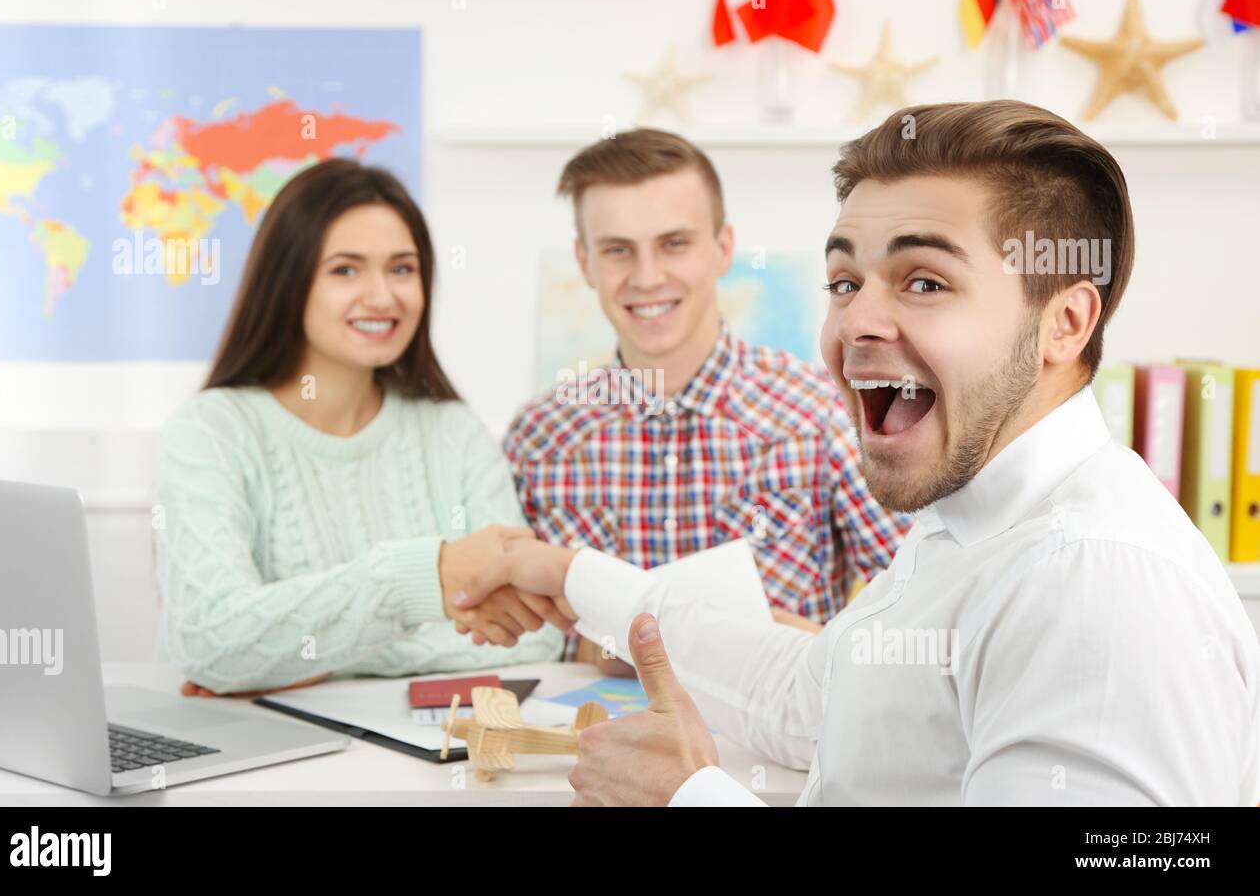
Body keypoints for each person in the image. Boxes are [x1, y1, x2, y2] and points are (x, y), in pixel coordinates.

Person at [459, 101, 1260, 806]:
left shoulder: (1096, 586)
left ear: (1064, 323)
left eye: (924, 282)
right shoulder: (964, 519)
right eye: (846, 283)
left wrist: (689, 798)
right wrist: (569, 575)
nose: (855, 327)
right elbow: (803, 696)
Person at [154, 158, 568, 696]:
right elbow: (211, 639)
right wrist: (426, 582)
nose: (382, 296)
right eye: (346, 270)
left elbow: (533, 635)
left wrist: (304, 657)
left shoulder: (452, 432)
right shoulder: (211, 431)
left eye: (401, 268)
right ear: (288, 281)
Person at [503, 128, 911, 670]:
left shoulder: (823, 414)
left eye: (674, 244)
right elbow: (523, 632)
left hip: (780, 744)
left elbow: (914, 613)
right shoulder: (539, 438)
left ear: (722, 248)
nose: (647, 278)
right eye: (618, 251)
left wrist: (797, 648)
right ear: (584, 263)